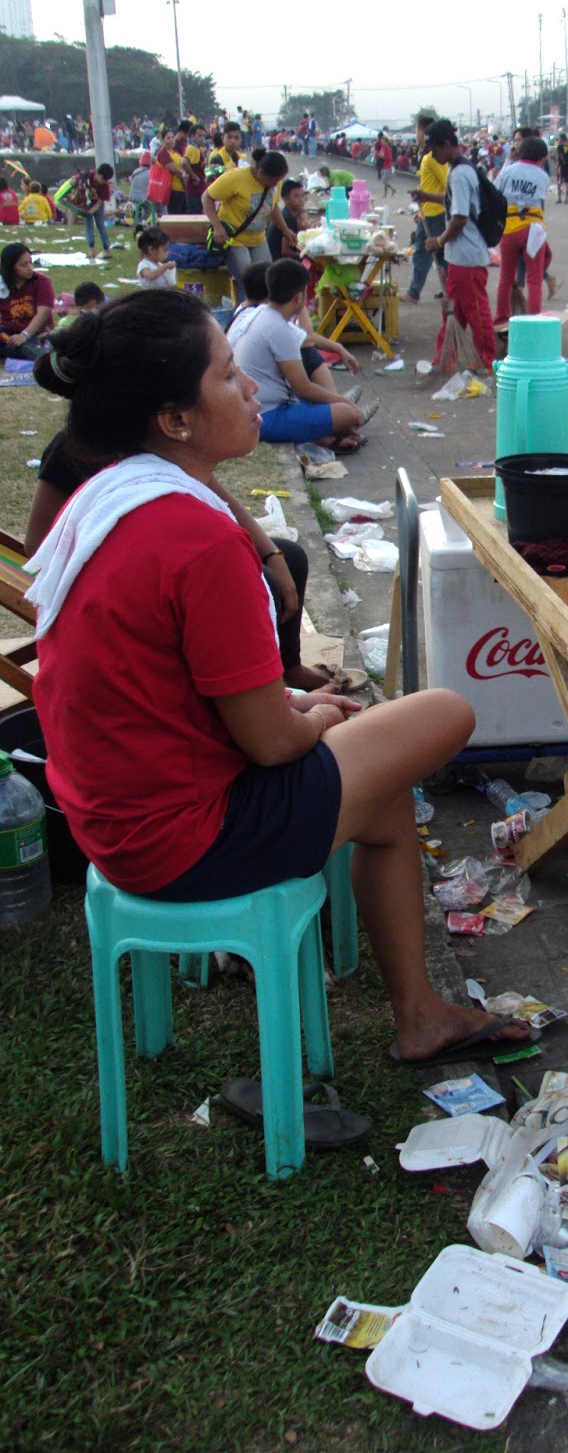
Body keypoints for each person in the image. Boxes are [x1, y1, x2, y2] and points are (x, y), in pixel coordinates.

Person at [26, 293, 528, 1066]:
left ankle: (422, 1015)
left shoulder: (109, 494)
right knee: (444, 714)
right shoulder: (193, 538)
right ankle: (420, 1015)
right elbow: (267, 747)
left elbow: (164, 684)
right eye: (230, 378)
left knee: (384, 785)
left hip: (111, 815)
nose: (255, 388)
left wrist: (292, 703)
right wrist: (317, 720)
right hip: (180, 837)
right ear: (176, 419)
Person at [233, 259, 374, 451]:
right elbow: (303, 388)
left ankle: (331, 427)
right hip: (267, 415)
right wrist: (344, 402)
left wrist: (338, 348)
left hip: (258, 408)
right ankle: (336, 427)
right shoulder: (278, 328)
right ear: (299, 298)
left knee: (333, 404)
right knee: (346, 413)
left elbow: (307, 338)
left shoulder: (263, 314)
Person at [423, 120, 497, 371]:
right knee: (453, 314)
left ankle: (488, 362)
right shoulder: (460, 170)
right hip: (458, 259)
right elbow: (453, 203)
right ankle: (446, 358)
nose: (432, 155)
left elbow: (460, 218)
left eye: (434, 150)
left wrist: (439, 241)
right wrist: (426, 196)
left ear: (446, 145)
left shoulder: (460, 174)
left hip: (467, 258)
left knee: (477, 315)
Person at [202, 150, 292, 299]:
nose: (276, 184)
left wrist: (285, 230)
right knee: (248, 284)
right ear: (261, 172)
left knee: (267, 281)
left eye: (279, 180)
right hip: (235, 239)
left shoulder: (276, 182)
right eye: (274, 180)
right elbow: (207, 197)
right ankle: (242, 318)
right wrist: (217, 226)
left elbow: (272, 206)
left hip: (258, 239)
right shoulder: (235, 178)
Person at [494, 135, 551, 326]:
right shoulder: (543, 176)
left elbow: (495, 192)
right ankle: (533, 321)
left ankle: (501, 318)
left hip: (510, 228)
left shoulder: (508, 171)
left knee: (506, 277)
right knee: (534, 279)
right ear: (542, 158)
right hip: (533, 229)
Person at [405, 116, 449, 304]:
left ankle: (414, 292)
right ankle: (448, 290)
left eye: (416, 131)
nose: (416, 135)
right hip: (429, 211)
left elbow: (447, 184)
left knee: (423, 252)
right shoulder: (427, 157)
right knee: (440, 254)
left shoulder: (433, 158)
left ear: (423, 131)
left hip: (434, 213)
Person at [0, 243, 55, 359]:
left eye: (30, 262)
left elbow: (43, 313)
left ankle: (27, 351)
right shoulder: (2, 285)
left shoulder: (41, 281)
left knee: (34, 344)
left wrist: (24, 335)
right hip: (9, 334)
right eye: (24, 265)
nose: (30, 268)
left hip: (36, 333)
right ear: (11, 267)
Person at [268, 178, 306, 261]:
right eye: (296, 196)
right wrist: (304, 254)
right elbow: (285, 251)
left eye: (303, 196)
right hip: (278, 261)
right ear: (285, 199)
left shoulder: (288, 213)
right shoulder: (288, 217)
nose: (301, 200)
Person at [136, 226, 177, 290]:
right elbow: (150, 276)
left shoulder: (159, 264)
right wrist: (165, 267)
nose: (167, 253)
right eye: (164, 250)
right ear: (152, 250)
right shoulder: (144, 265)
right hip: (150, 297)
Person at [555, 133, 568, 205]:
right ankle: (566, 199)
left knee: (559, 182)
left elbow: (559, 155)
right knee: (567, 183)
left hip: (561, 166)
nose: (558, 140)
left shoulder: (559, 147)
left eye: (559, 138)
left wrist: (562, 162)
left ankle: (559, 198)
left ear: (562, 139)